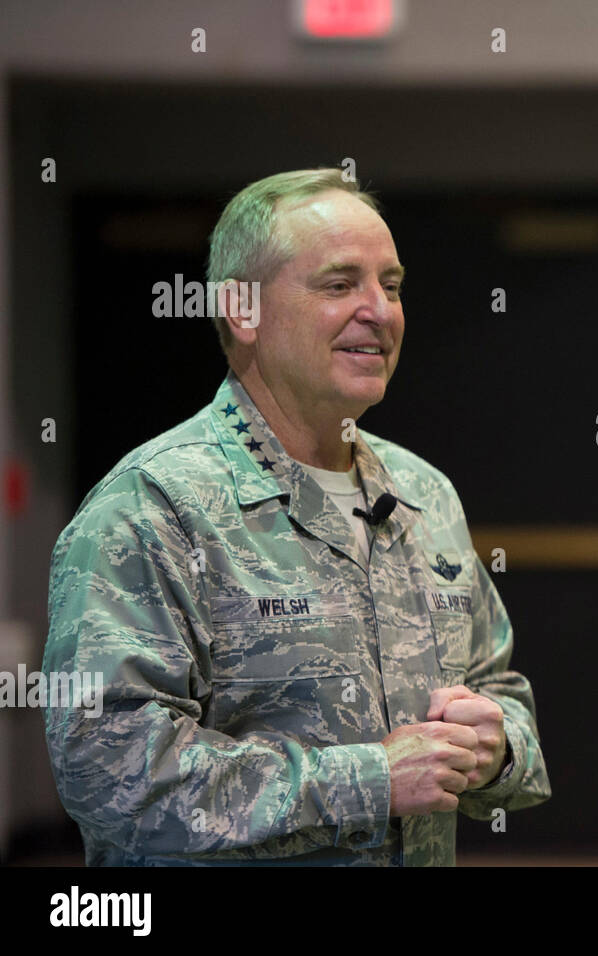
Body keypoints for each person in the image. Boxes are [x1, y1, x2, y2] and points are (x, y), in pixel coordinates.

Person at [41, 169, 551, 865]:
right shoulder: (153, 506)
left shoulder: (424, 495)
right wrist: (372, 779)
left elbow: (500, 692)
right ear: (243, 310)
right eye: (341, 285)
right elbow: (114, 781)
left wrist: (499, 749)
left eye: (392, 285)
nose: (380, 309)